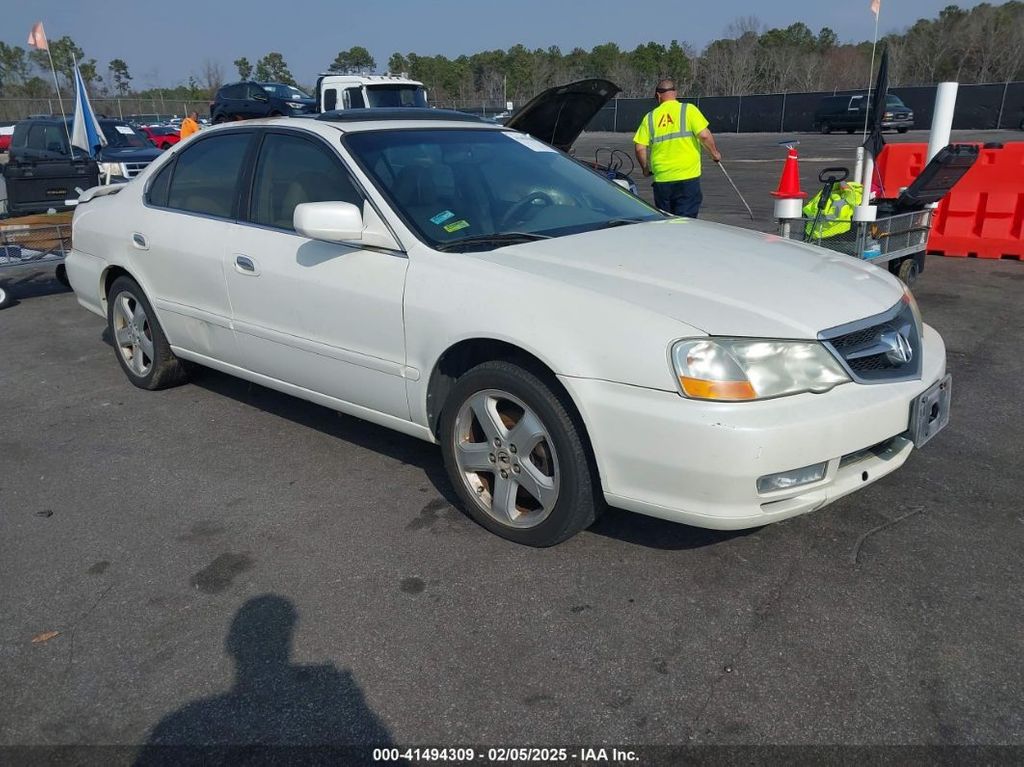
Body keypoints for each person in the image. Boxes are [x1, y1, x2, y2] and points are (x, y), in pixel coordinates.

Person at [633, 80, 721, 218]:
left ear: (658, 96)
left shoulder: (649, 118)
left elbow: (639, 148)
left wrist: (645, 169)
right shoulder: (688, 110)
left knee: (667, 222)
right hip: (687, 178)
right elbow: (704, 135)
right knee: (686, 222)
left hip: (662, 180)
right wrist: (714, 154)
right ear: (675, 93)